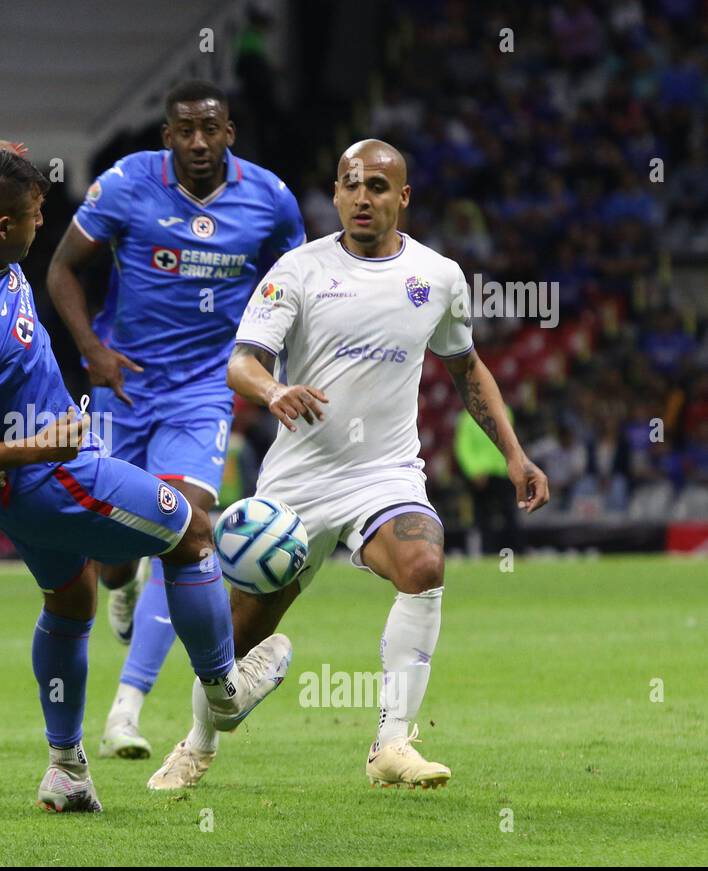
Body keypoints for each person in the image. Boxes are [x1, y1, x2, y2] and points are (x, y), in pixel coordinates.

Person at [0, 131, 293, 812]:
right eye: (31, 215)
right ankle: (224, 689)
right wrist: (34, 451)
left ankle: (67, 770)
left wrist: (0, 153)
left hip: (18, 483)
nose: (41, 223)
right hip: (49, 476)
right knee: (193, 532)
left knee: (71, 601)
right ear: (0, 227)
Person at [148, 139, 550, 791]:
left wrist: (513, 451)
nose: (363, 197)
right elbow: (241, 362)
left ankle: (393, 743)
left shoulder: (438, 277)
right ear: (335, 194)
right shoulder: (296, 272)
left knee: (423, 563)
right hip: (297, 485)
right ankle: (198, 742)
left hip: (384, 475)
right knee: (233, 644)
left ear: (403, 197)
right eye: (351, 185)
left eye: (378, 187)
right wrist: (275, 390)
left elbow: (466, 367)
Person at [46, 80, 304, 760]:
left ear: (230, 133)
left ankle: (126, 710)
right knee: (111, 558)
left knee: (185, 526)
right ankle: (122, 583)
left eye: (209, 129)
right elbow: (62, 269)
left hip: (203, 389)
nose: (197, 141)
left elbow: (295, 286)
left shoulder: (270, 200)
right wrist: (92, 351)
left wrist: (278, 371)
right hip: (123, 386)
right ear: (167, 136)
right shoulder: (127, 184)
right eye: (184, 130)